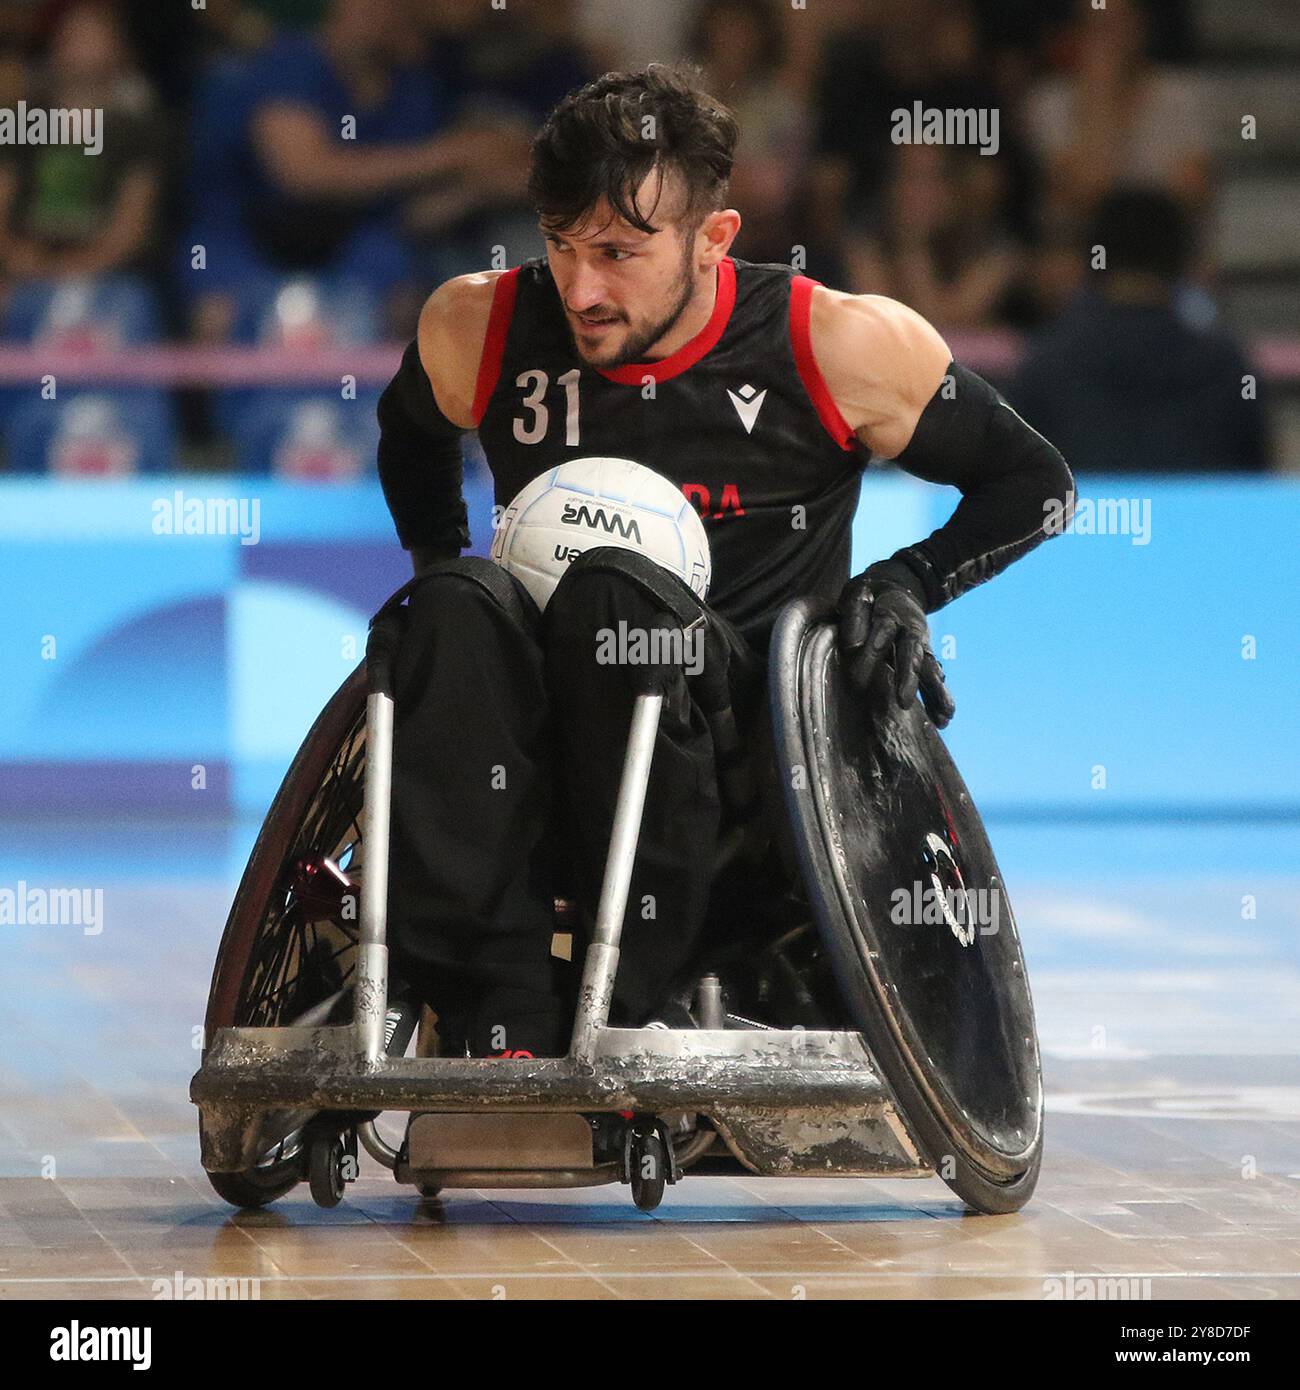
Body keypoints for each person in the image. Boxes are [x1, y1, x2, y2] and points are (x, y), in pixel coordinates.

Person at [375, 65, 1074, 1061]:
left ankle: (627, 993)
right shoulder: (479, 323)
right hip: (530, 740)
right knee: (448, 603)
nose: (580, 287)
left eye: (618, 252)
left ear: (713, 239)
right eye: (561, 245)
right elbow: (408, 434)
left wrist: (905, 583)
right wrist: (441, 555)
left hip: (740, 755)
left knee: (614, 596)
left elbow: (1034, 483)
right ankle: (502, 1013)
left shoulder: (831, 341)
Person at [1008, 187, 1269, 474]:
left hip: (1084, 519)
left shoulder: (1044, 366)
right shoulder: (1228, 368)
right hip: (1196, 518)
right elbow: (1254, 485)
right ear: (1184, 263)